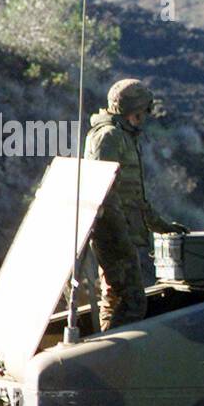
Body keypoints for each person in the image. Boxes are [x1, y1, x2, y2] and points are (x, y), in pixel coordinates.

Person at [83, 78, 186, 330]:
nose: (143, 118)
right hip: (112, 233)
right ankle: (110, 357)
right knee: (133, 302)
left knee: (116, 298)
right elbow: (104, 194)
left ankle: (105, 349)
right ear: (131, 111)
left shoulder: (123, 135)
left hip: (121, 232)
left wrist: (161, 226)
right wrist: (121, 237)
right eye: (141, 112)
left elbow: (133, 197)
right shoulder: (108, 137)